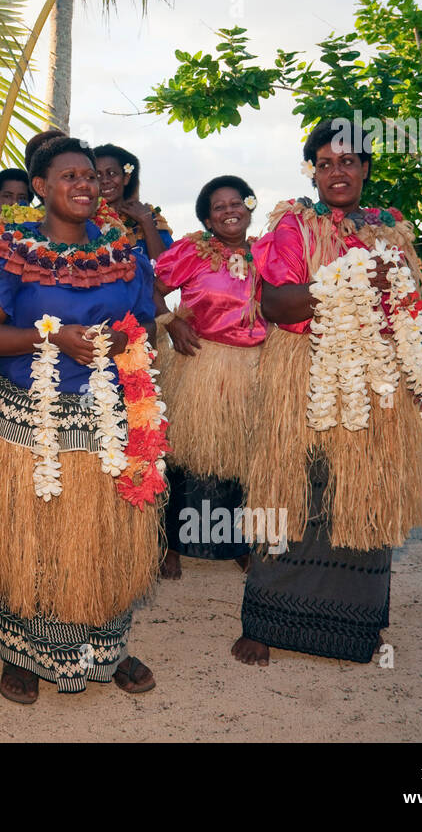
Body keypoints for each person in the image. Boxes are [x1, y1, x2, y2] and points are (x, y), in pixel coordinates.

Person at [0, 136, 164, 703]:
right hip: (30, 416)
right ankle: (21, 653)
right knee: (31, 534)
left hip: (109, 413)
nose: (85, 185)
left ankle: (108, 647)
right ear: (40, 187)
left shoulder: (124, 252)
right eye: (69, 176)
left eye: (90, 177)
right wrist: (51, 337)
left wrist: (117, 339)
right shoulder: (4, 251)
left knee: (104, 533)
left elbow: (146, 326)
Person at [234, 119, 422, 666]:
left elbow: (405, 311)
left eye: (347, 161)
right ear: (312, 171)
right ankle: (265, 621)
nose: (336, 171)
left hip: (375, 378)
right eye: (325, 163)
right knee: (294, 489)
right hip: (303, 372)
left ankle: (353, 628)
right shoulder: (293, 226)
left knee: (362, 491)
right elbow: (278, 304)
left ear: (366, 168)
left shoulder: (389, 229)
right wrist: (349, 281)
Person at [154, 175, 265, 580]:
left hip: (253, 366)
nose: (230, 211)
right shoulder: (193, 251)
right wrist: (170, 323)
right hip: (201, 362)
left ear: (249, 208)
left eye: (237, 202)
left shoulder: (265, 253)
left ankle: (237, 544)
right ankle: (171, 543)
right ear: (206, 218)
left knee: (242, 456)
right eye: (219, 206)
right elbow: (151, 288)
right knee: (188, 456)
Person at [93, 144, 170, 256]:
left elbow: (166, 265)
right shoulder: (86, 220)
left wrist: (146, 222)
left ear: (126, 178)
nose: (105, 180)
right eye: (97, 175)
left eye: (112, 173)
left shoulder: (149, 216)